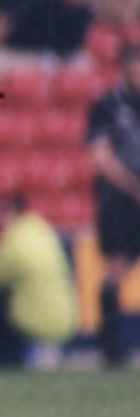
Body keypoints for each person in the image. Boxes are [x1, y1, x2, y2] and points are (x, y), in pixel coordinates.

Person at [0, 195, 76, 369]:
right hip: (62, 322)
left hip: (34, 326)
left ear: (8, 214)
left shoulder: (16, 243)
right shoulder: (41, 231)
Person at [82, 42, 140, 369]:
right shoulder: (107, 104)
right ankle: (112, 347)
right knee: (116, 269)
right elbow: (100, 157)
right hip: (119, 200)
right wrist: (134, 188)